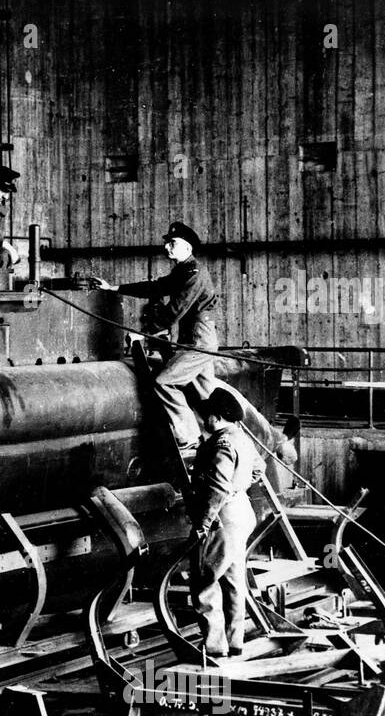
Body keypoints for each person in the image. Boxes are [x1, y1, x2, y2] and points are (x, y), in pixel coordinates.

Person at [96, 221, 220, 449]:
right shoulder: (184, 271)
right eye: (167, 243)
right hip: (198, 341)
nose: (167, 247)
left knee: (164, 382)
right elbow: (155, 288)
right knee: (205, 397)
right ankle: (213, 440)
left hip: (197, 343)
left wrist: (143, 334)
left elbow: (175, 310)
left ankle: (189, 436)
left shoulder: (194, 275)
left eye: (172, 243)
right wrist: (115, 288)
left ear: (188, 248)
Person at [187, 388, 263, 658]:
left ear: (216, 418)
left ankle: (214, 647)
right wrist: (238, 487)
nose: (203, 419)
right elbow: (258, 469)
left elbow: (218, 485)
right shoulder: (241, 437)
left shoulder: (221, 442)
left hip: (223, 517)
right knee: (233, 580)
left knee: (205, 580)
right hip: (242, 511)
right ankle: (235, 641)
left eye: (206, 415)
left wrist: (204, 522)